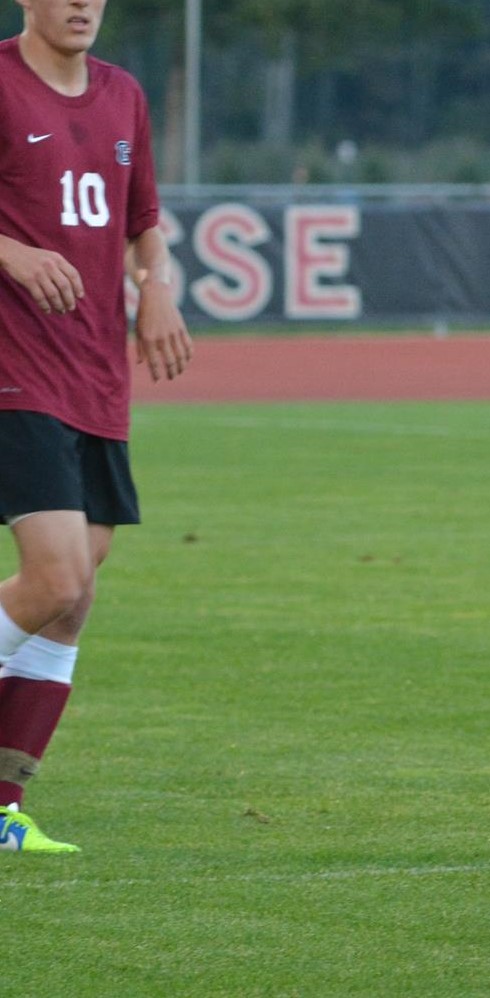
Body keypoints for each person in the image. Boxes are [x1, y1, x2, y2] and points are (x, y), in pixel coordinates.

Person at [0, 0, 193, 853]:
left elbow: (146, 225)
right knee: (52, 579)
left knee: (75, 601)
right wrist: (9, 249)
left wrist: (155, 284)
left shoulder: (123, 96)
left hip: (96, 375)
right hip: (14, 370)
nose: (82, 4)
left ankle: (2, 808)